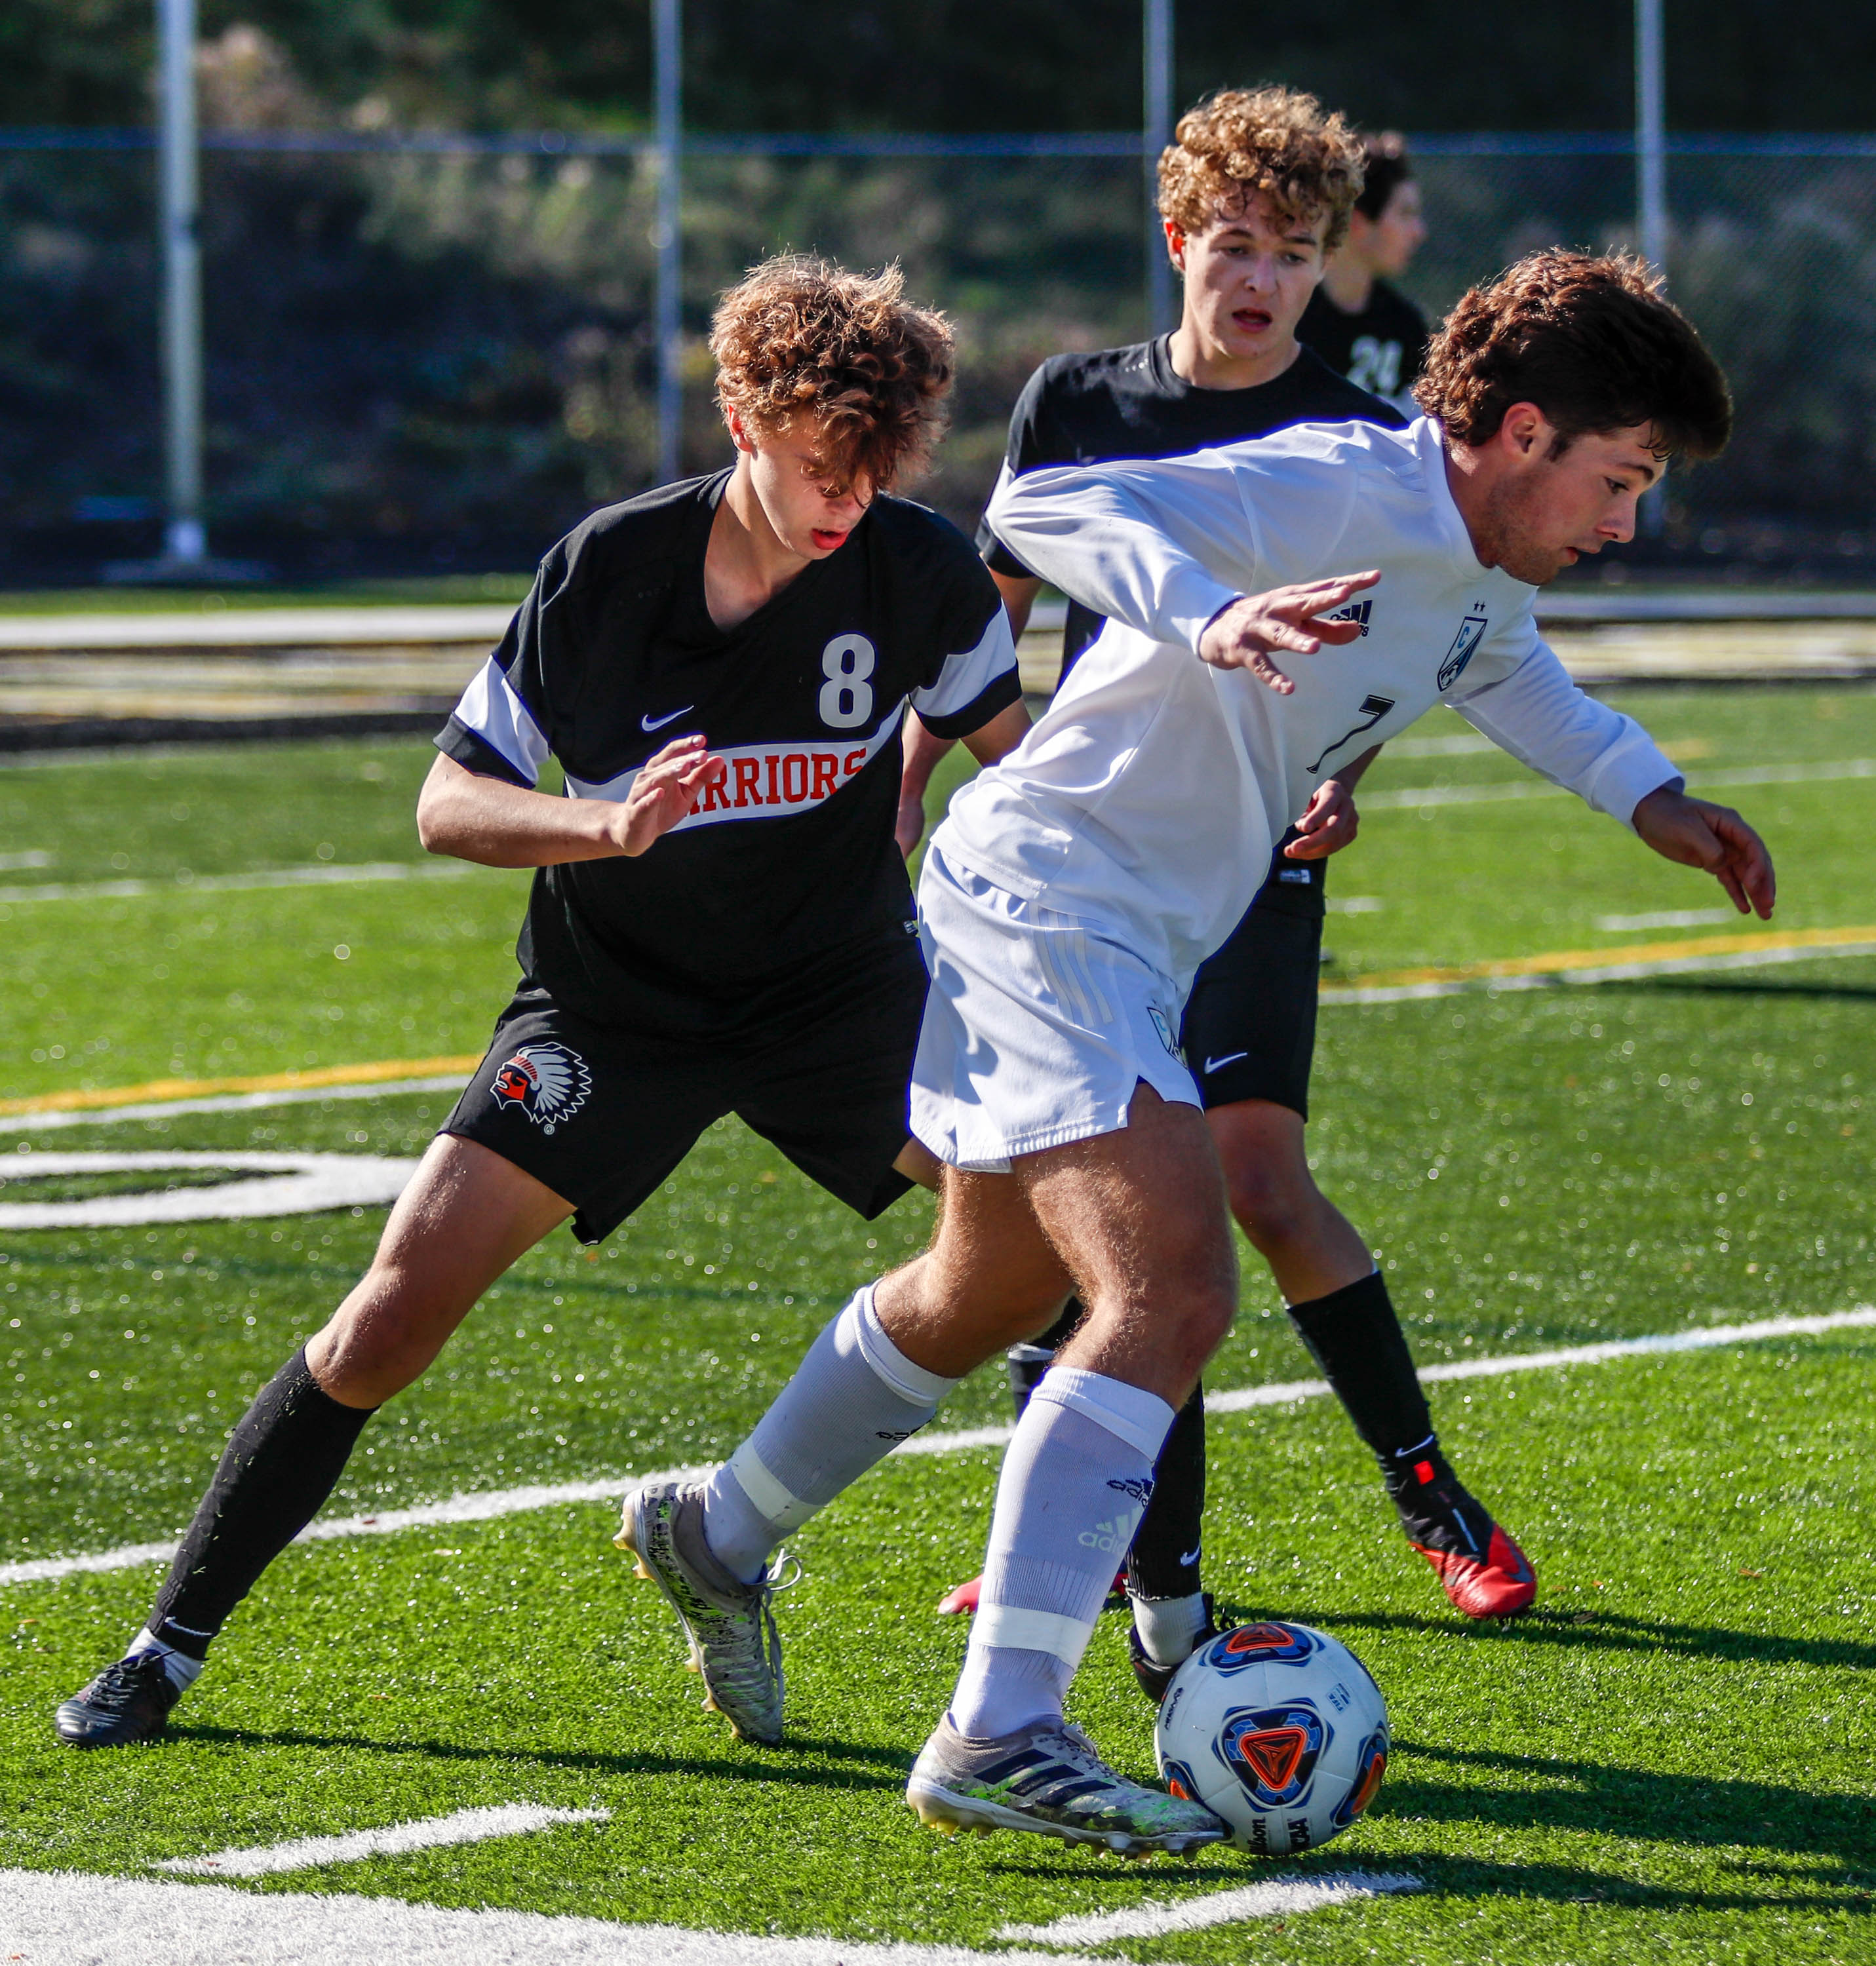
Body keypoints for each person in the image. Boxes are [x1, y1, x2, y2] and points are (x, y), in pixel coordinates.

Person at [623, 244, 1769, 1854]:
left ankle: (714, 1526)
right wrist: (1213, 608)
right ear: (1515, 433)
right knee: (1169, 1286)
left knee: (988, 1286)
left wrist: (1646, 793)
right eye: (1618, 477)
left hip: (1116, 926)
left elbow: (1498, 667)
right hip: (1049, 898)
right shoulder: (1332, 480)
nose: (1624, 520)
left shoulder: (1475, 567)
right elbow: (1043, 515)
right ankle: (1002, 1723)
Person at [52, 254, 1029, 1750]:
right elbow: (447, 801)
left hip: (835, 991)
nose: (847, 496)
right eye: (823, 459)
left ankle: (1114, 1627)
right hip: (608, 1003)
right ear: (741, 415)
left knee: (1054, 1248)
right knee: (390, 1314)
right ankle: (165, 1649)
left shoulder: (920, 571)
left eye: (877, 462)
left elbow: (1015, 759)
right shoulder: (611, 571)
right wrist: (606, 824)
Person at [903, 88, 1535, 1694]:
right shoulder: (1075, 400)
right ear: (1177, 242)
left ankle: (1423, 1485)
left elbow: (1405, 654)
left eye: (1293, 254)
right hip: (1089, 863)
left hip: (1251, 859)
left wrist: (1339, 778)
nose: (1255, 280)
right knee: (1084, 1216)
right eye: (1231, 245)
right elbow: (984, 603)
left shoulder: (1355, 432)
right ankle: (1114, 1550)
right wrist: (914, 771)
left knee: (1250, 1177)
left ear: (1326, 270)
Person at [1297, 130, 1429, 415]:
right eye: (1405, 214)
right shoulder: (1289, 317)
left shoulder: (1405, 327)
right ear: (1357, 222)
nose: (1419, 233)